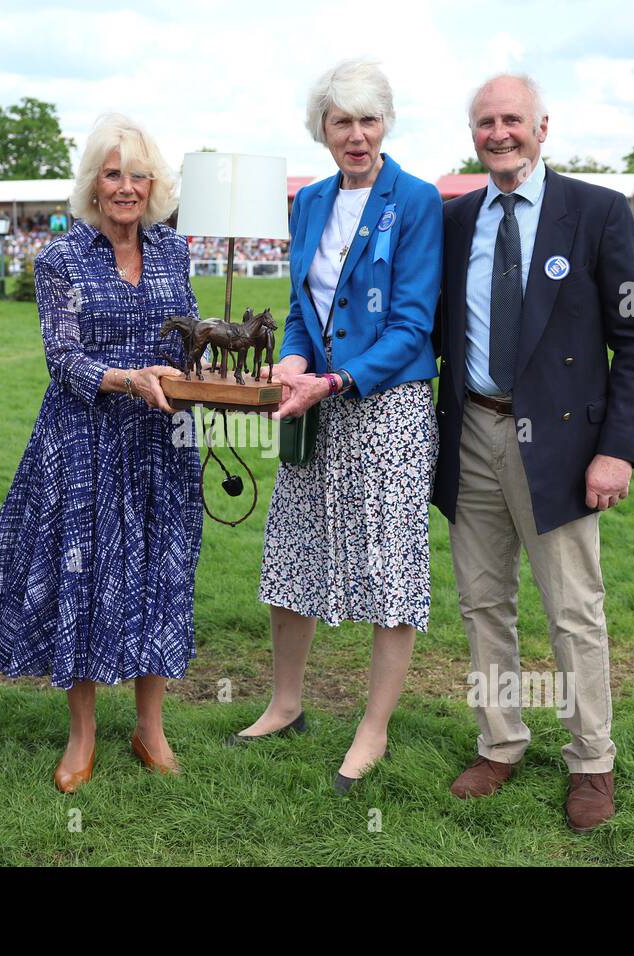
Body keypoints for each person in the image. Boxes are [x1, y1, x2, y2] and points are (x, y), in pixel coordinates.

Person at [432, 74, 634, 833]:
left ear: (542, 127)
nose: (499, 133)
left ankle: (591, 760)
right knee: (482, 603)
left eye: (512, 120)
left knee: (573, 610)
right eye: (485, 122)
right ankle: (500, 741)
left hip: (562, 443)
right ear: (474, 134)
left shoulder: (597, 212)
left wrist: (617, 452)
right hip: (471, 432)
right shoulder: (455, 219)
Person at [0, 115, 200, 793]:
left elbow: (189, 339)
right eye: (113, 173)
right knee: (83, 579)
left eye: (138, 175)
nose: (126, 187)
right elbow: (62, 358)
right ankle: (83, 732)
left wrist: (195, 379)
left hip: (165, 443)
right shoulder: (62, 259)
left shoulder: (177, 252)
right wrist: (130, 380)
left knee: (160, 573)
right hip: (86, 440)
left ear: (155, 185)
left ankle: (150, 728)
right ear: (94, 183)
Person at [228, 59, 443, 796]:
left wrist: (333, 380)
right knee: (291, 553)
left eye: (369, 120)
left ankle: (373, 729)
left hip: (386, 409)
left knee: (388, 566)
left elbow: (415, 324)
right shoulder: (311, 201)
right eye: (341, 121)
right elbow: (297, 307)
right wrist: (292, 361)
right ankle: (286, 704)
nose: (356, 135)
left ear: (387, 123)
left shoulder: (416, 201)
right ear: (321, 129)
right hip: (310, 403)